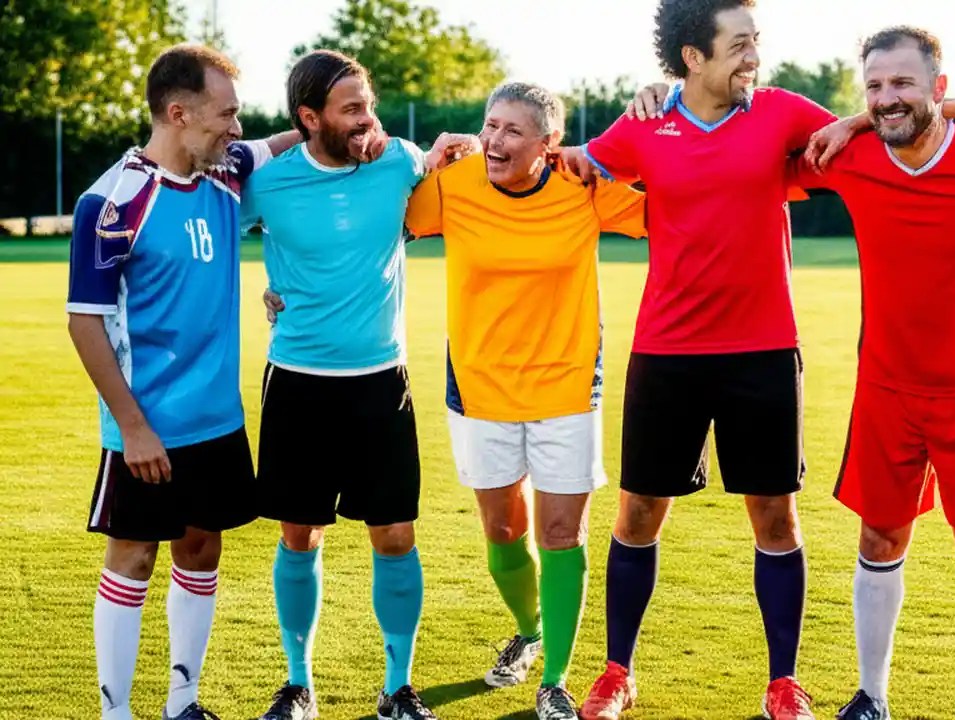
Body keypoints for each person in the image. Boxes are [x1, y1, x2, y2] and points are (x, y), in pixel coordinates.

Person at [627, 24, 955, 720]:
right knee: (879, 537)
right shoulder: (849, 155)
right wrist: (672, 98)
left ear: (941, 89)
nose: (886, 98)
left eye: (903, 83)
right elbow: (736, 154)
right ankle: (872, 693)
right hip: (884, 384)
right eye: (873, 87)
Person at [556, 2, 839, 718]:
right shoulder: (646, 123)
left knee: (775, 516)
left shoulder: (780, 112)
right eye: (738, 45)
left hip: (765, 351)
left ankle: (783, 683)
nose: (753, 57)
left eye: (756, 43)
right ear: (692, 57)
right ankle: (617, 672)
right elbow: (570, 165)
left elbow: (867, 125)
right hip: (668, 351)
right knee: (639, 512)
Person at [403, 81, 647, 720]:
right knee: (503, 529)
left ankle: (557, 679)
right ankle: (531, 627)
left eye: (513, 131)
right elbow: (383, 214)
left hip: (567, 385)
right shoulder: (453, 186)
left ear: (549, 143)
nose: (495, 141)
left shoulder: (583, 189)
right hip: (479, 386)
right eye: (489, 126)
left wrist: (624, 146)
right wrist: (425, 159)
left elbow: (668, 210)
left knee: (561, 532)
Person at [66, 43, 296, 720]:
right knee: (133, 557)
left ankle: (183, 703)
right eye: (225, 113)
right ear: (177, 112)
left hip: (218, 422)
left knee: (201, 546)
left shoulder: (225, 172)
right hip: (147, 430)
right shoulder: (111, 203)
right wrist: (132, 428)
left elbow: (288, 141)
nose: (236, 127)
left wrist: (352, 127)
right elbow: (85, 325)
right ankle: (116, 714)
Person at [243, 49, 467, 720]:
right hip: (298, 385)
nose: (368, 120)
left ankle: (398, 686)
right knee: (299, 534)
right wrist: (268, 286)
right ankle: (297, 682)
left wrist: (457, 144)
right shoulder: (269, 185)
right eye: (351, 110)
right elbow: (211, 221)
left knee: (395, 534)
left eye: (369, 104)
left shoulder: (400, 160)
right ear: (310, 119)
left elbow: (465, 170)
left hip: (381, 385)